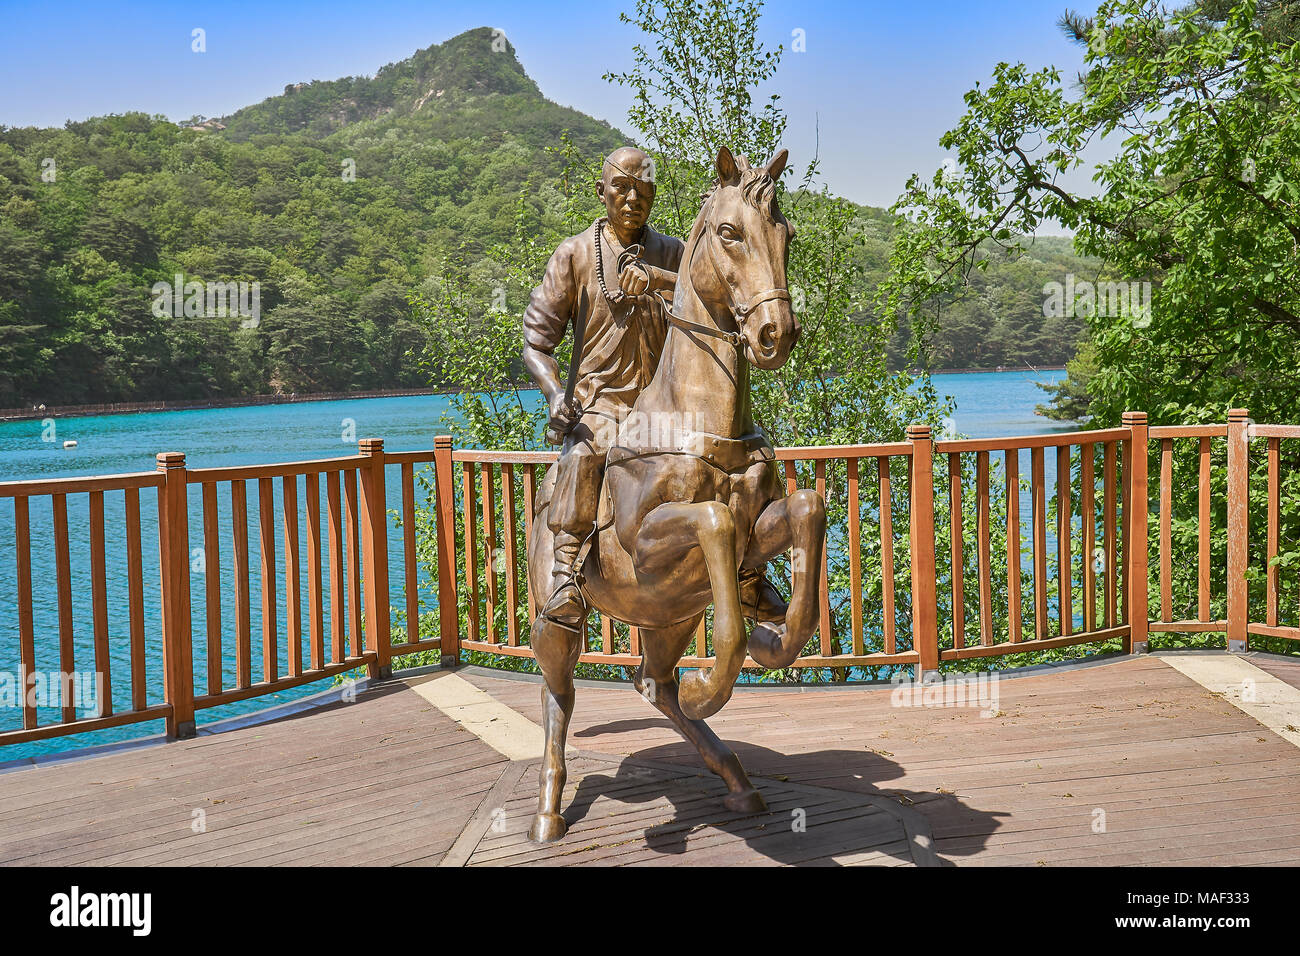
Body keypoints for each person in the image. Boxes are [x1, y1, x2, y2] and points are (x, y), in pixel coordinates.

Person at [522, 146, 683, 629]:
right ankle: (566, 571)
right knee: (585, 452)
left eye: (644, 189)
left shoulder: (673, 252)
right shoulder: (573, 255)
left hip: (669, 408)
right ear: (602, 192)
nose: (633, 198)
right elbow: (535, 343)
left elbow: (706, 298)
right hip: (603, 407)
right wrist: (555, 394)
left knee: (737, 451)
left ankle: (748, 574)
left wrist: (657, 279)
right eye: (622, 188)